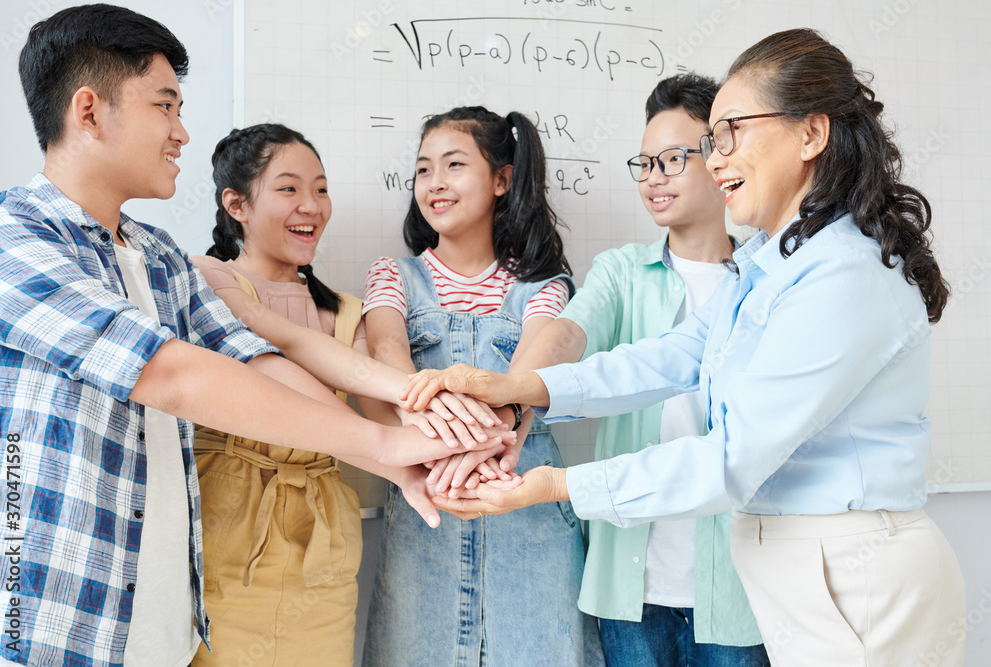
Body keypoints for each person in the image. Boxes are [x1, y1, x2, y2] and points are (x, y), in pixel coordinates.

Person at [405, 29, 965, 667]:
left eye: (730, 133)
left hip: (854, 577)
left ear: (812, 134)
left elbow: (731, 458)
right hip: (803, 574)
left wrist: (553, 484)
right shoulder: (772, 266)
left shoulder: (843, 278)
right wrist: (523, 387)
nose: (717, 157)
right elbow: (675, 355)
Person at [0, 7, 503, 666]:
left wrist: (394, 460)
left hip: (169, 632)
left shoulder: (156, 255)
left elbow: (256, 357)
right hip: (59, 632)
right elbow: (172, 373)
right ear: (89, 111)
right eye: (165, 105)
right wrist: (385, 438)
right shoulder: (11, 238)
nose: (181, 132)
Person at [190, 124, 508, 666]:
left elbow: (382, 407)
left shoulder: (346, 309)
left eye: (320, 188)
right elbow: (286, 363)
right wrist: (430, 401)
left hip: (325, 540)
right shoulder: (203, 278)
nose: (311, 205)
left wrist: (467, 449)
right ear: (236, 203)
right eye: (289, 189)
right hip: (228, 524)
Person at [499, 74, 767, 666]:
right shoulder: (622, 270)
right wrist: (510, 398)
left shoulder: (765, 281)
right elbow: (569, 332)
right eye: (643, 163)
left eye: (672, 159)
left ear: (722, 154)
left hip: (738, 583)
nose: (653, 177)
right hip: (631, 582)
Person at [361, 106, 604, 666]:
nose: (434, 184)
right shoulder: (393, 275)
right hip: (429, 510)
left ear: (502, 179)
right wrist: (448, 450)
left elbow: (526, 376)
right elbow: (389, 356)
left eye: (453, 165)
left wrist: (478, 446)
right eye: (423, 170)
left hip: (525, 509)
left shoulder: (546, 286)